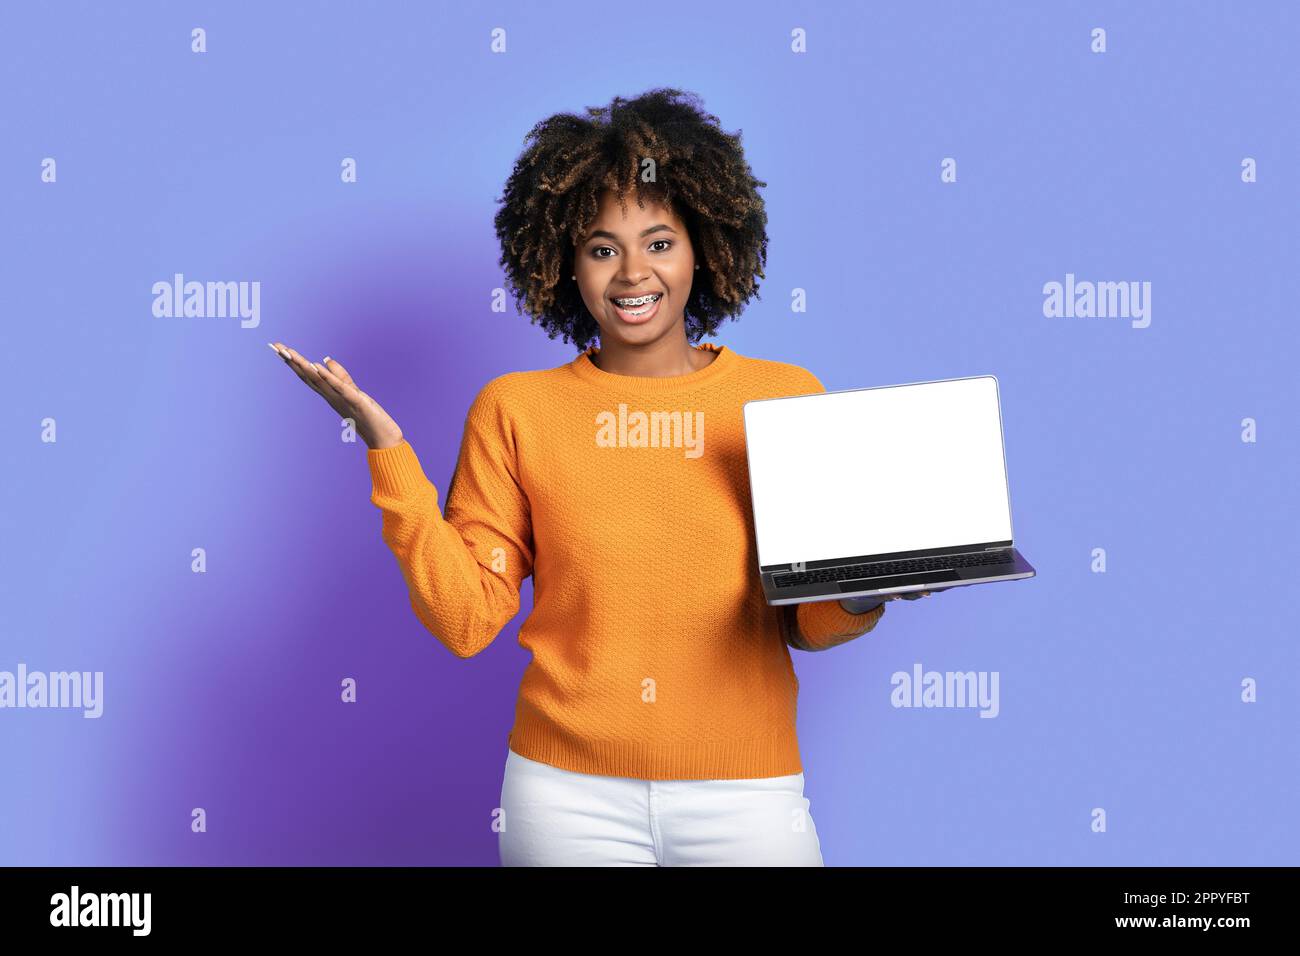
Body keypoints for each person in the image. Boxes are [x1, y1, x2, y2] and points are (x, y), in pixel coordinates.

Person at [270, 88, 933, 866]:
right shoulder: (516, 410)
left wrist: (865, 585)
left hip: (749, 795)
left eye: (659, 242)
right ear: (562, 263)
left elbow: (808, 625)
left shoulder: (781, 398)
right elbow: (465, 620)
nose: (632, 275)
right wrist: (388, 450)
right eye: (601, 248)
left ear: (705, 248)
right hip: (565, 800)